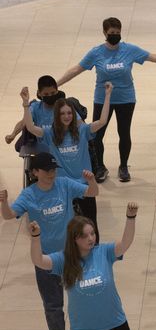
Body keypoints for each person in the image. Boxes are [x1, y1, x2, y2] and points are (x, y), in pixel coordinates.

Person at [55, 17, 156, 183]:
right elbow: (76, 69)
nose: (115, 35)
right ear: (104, 33)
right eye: (111, 33)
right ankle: (100, 167)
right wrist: (55, 85)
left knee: (124, 132)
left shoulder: (129, 50)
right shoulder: (96, 52)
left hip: (126, 99)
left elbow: (152, 56)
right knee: (97, 135)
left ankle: (123, 166)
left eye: (117, 32)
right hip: (102, 99)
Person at [0, 153, 98, 330]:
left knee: (83, 295)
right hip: (45, 258)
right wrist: (4, 202)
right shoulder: (29, 195)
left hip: (71, 254)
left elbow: (92, 193)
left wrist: (91, 180)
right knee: (52, 303)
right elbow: (10, 215)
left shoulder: (64, 184)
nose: (52, 174)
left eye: (54, 169)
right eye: (47, 170)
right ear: (35, 172)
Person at [20, 83, 111, 232]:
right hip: (62, 187)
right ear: (57, 115)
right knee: (66, 226)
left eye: (69, 113)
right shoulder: (49, 133)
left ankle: (93, 251)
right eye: (62, 113)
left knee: (90, 224)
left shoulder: (83, 130)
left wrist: (107, 96)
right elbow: (30, 127)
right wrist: (25, 104)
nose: (67, 116)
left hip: (83, 184)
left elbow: (102, 121)